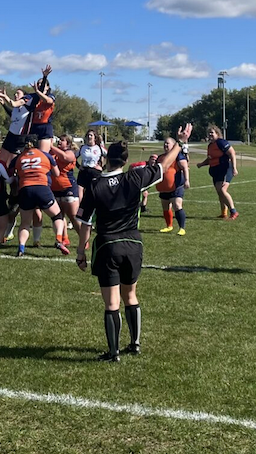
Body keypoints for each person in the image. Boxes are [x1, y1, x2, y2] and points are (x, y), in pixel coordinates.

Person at [75, 124, 193, 362]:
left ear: (105, 159)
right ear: (126, 161)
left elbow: (85, 223)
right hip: (132, 244)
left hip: (108, 245)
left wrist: (81, 251)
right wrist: (180, 143)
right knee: (131, 296)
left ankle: (113, 352)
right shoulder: (136, 177)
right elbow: (163, 166)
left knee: (112, 303)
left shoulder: (95, 185)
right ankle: (135, 344)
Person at [10, 135, 69, 257]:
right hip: (42, 188)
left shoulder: (18, 157)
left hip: (25, 189)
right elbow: (57, 173)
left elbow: (11, 174)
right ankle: (58, 239)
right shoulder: (45, 155)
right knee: (57, 216)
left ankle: (21, 247)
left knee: (25, 223)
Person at [196, 125, 238, 219]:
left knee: (222, 190)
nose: (210, 134)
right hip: (216, 170)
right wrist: (202, 164)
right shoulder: (210, 146)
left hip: (225, 168)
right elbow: (210, 158)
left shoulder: (221, 142)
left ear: (217, 133)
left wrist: (234, 168)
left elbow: (232, 153)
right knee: (219, 192)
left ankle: (233, 211)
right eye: (209, 133)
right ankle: (224, 213)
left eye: (212, 132)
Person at [48, 135, 81, 248]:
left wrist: (51, 147)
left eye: (62, 140)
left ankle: (83, 238)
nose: (59, 142)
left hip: (68, 187)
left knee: (73, 216)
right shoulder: (53, 152)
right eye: (59, 140)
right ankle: (64, 238)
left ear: (68, 143)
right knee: (59, 215)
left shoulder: (70, 152)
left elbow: (65, 157)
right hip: (54, 188)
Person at [156, 137, 190, 236]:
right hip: (163, 187)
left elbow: (185, 167)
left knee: (177, 206)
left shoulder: (178, 156)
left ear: (174, 145)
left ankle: (182, 228)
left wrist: (187, 180)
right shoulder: (160, 157)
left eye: (168, 143)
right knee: (165, 207)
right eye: (164, 143)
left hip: (176, 186)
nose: (165, 145)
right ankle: (169, 226)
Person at [0, 87, 33, 165]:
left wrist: (5, 96)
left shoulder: (27, 107)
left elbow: (13, 103)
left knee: (12, 164)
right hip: (10, 135)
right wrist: (3, 104)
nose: (15, 95)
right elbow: (12, 114)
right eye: (15, 93)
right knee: (1, 161)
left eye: (18, 93)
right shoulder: (15, 109)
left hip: (20, 138)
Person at [28, 65, 55, 146]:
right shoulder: (34, 97)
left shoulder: (50, 96)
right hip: (34, 126)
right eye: (38, 83)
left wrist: (45, 76)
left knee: (43, 152)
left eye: (41, 83)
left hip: (45, 127)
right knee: (31, 151)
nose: (39, 85)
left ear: (48, 87)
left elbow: (48, 101)